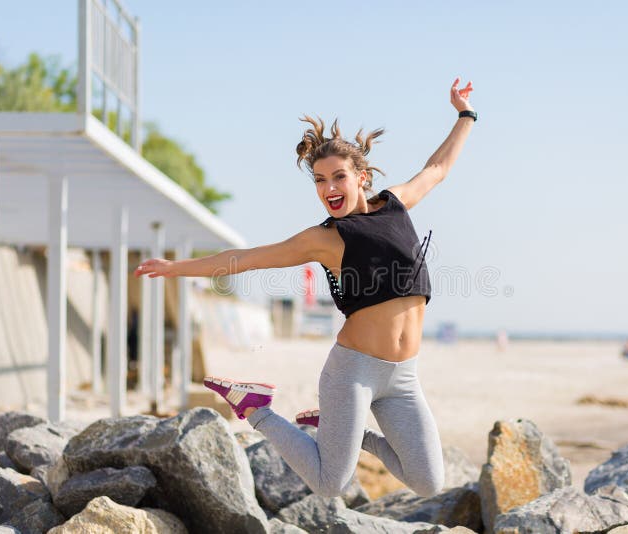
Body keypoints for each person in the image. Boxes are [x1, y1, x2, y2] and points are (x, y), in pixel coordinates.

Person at [134, 77, 476, 498]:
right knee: (330, 484)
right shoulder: (326, 238)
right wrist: (177, 268)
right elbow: (247, 259)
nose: (329, 188)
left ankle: (348, 434)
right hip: (353, 372)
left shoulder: (396, 204)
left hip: (403, 378)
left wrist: (464, 115)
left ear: (362, 177)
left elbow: (437, 169)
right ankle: (256, 409)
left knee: (428, 481)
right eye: (319, 180)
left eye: (338, 177)